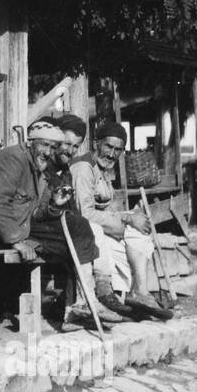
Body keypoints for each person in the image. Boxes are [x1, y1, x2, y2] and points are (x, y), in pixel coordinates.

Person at [0, 119, 111, 332]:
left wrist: (53, 205)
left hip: (21, 227)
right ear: (31, 142)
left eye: (53, 147)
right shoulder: (13, 159)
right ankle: (81, 304)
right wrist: (17, 241)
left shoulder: (38, 166)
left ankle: (77, 308)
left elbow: (35, 212)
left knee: (78, 228)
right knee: (76, 228)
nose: (49, 152)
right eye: (44, 145)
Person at [28, 114, 132, 324]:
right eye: (66, 144)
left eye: (75, 147)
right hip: (33, 225)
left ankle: (83, 304)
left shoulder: (64, 171)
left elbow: (72, 208)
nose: (70, 150)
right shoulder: (43, 166)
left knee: (86, 230)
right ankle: (88, 300)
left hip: (54, 225)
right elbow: (36, 206)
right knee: (85, 231)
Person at [69, 122, 172, 321]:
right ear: (96, 143)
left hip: (97, 230)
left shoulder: (102, 170)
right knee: (131, 235)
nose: (112, 154)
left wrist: (131, 215)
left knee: (141, 235)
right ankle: (125, 297)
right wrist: (126, 218)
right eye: (108, 147)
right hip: (81, 232)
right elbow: (85, 214)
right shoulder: (84, 168)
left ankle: (137, 293)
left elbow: (105, 209)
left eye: (118, 150)